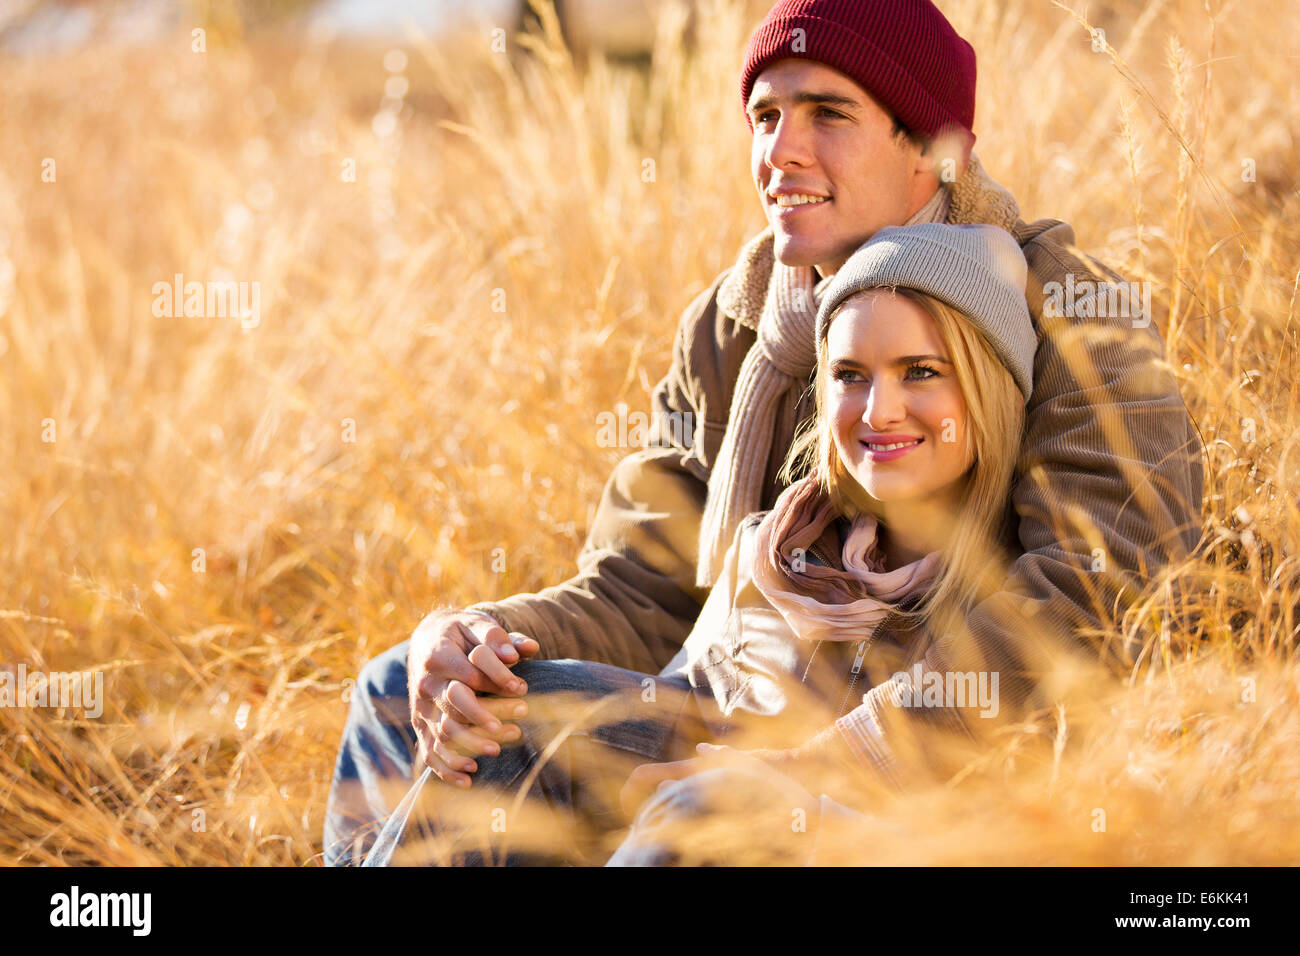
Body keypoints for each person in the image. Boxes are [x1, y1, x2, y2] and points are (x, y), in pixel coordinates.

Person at [322, 0, 1204, 866]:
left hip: (931, 749)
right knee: (412, 691)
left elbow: (1101, 594)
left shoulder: (1072, 312)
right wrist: (485, 635)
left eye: (828, 114)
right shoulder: (736, 326)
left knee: (583, 759)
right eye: (766, 115)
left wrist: (830, 761)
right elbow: (645, 586)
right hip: (738, 694)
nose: (781, 150)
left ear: (934, 152)